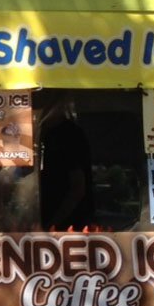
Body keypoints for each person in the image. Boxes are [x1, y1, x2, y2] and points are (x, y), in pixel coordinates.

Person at [39, 97, 94, 229]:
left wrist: (51, 225)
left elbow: (78, 188)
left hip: (69, 229)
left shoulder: (68, 136)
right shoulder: (43, 135)